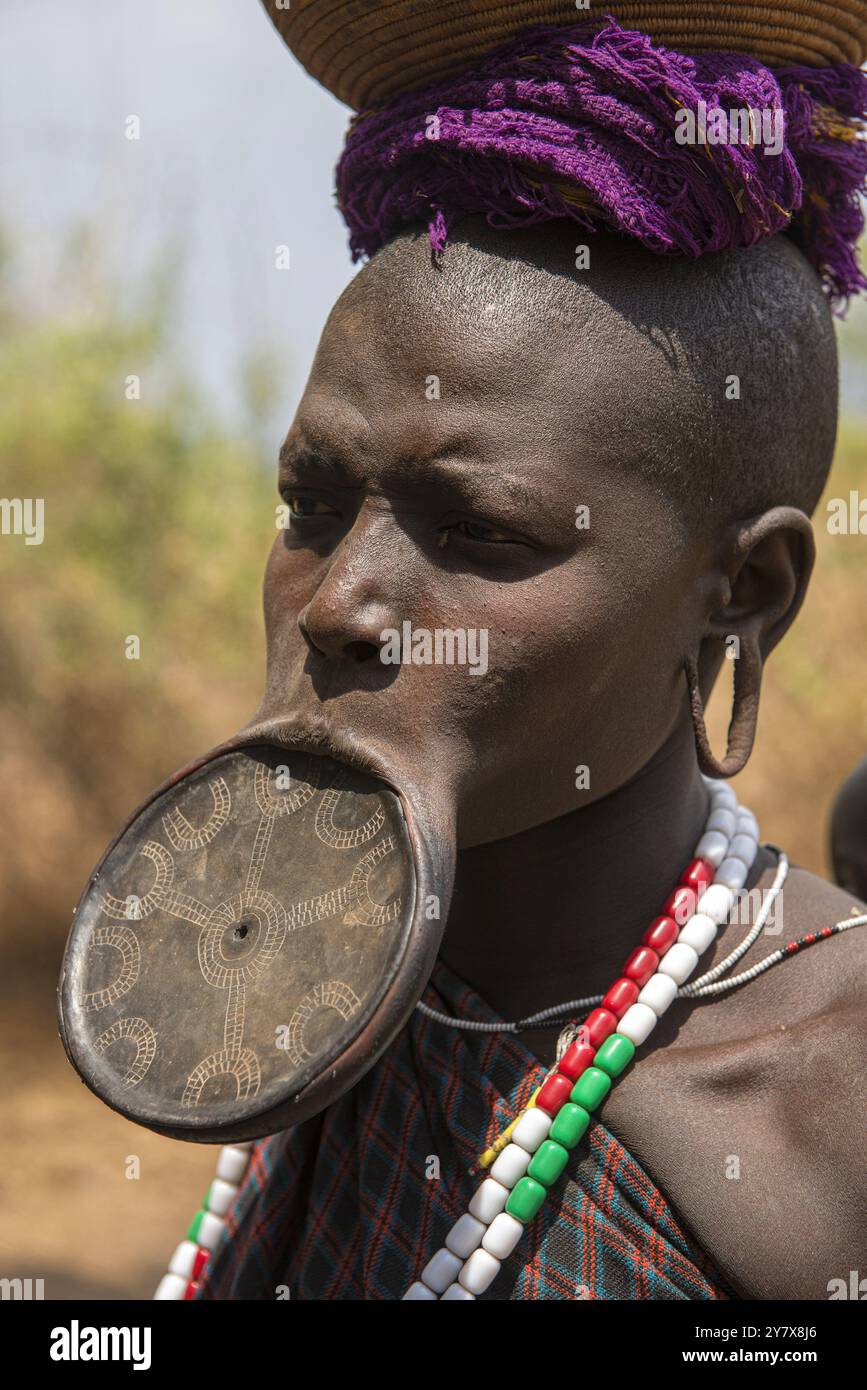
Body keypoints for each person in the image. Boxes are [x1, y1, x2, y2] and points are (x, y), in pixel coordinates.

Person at [180, 9, 867, 1301]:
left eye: (476, 528)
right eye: (313, 505)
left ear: (746, 593)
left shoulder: (827, 1129)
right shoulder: (290, 992)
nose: (339, 603)